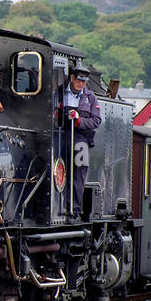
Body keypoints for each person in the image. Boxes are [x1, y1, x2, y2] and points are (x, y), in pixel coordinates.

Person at [61, 66, 102, 219]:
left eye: (83, 82)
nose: (80, 84)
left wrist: (79, 120)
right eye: (78, 80)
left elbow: (96, 120)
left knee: (78, 176)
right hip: (61, 137)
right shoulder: (59, 93)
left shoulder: (90, 98)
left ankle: (74, 210)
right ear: (72, 78)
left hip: (82, 141)